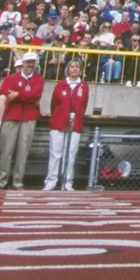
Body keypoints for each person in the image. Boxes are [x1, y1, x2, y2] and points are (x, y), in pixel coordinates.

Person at [0, 52, 44, 190]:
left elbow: (35, 95)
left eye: (32, 62)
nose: (30, 65)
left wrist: (18, 94)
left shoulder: (38, 79)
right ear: (23, 63)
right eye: (28, 62)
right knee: (6, 150)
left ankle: (18, 181)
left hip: (28, 117)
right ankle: (1, 180)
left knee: (23, 151)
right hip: (11, 115)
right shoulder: (11, 78)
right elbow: (4, 94)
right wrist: (24, 95)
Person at [44, 59, 91, 192]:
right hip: (58, 123)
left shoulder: (84, 86)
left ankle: (68, 181)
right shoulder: (60, 85)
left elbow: (83, 105)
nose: (75, 69)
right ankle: (51, 181)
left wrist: (78, 116)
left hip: (75, 124)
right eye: (72, 67)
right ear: (68, 70)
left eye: (77, 67)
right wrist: (58, 116)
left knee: (70, 154)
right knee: (55, 153)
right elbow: (54, 104)